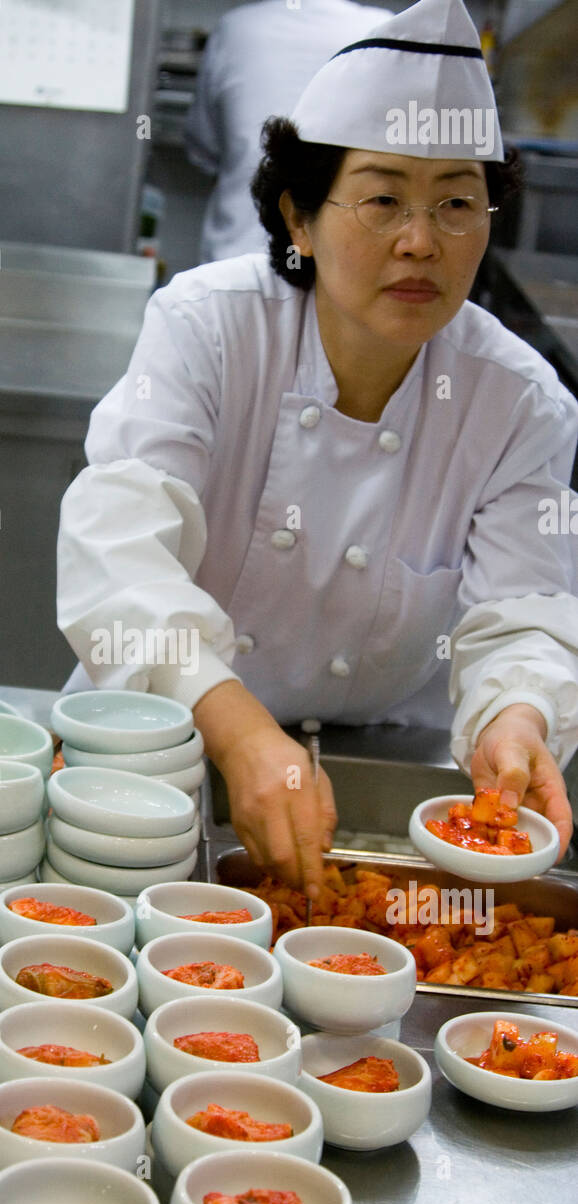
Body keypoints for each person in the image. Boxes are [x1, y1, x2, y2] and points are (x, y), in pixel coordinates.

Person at [57, 0, 578, 899]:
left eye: (458, 201)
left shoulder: (519, 400)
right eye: (382, 200)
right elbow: (116, 557)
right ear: (300, 219)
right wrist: (242, 731)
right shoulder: (208, 327)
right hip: (157, 739)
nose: (421, 241)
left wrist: (516, 715)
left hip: (372, 776)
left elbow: (524, 609)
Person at [186, 0, 392, 262]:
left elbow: (204, 149)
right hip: (342, 265)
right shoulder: (381, 29)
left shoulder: (237, 28)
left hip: (238, 257)